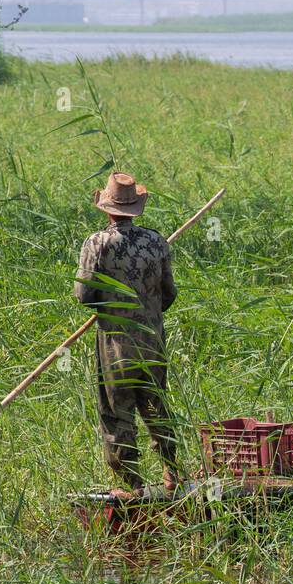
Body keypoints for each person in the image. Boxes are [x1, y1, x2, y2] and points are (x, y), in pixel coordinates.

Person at [74, 172, 182, 494]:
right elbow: (169, 295)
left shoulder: (97, 244)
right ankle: (171, 475)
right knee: (156, 407)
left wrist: (113, 303)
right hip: (152, 341)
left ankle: (134, 487)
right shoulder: (156, 241)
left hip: (116, 345)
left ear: (107, 209)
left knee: (117, 414)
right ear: (136, 208)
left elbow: (83, 295)